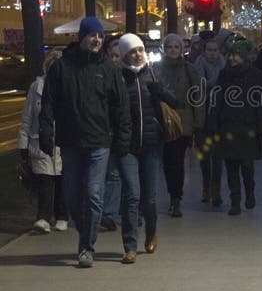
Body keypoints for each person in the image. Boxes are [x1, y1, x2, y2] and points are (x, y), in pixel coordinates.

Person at [39, 16, 131, 268]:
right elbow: (48, 103)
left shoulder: (109, 69)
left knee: (93, 194)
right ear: (82, 37)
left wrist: (122, 139)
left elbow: (121, 107)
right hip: (71, 142)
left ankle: (86, 247)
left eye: (100, 36)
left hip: (99, 142)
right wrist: (46, 132)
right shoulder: (62, 68)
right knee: (71, 196)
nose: (97, 40)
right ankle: (85, 231)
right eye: (92, 35)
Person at [117, 34, 177, 262]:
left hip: (152, 144)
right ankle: (130, 246)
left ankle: (151, 231)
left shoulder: (154, 73)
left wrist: (159, 90)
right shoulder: (118, 78)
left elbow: (176, 102)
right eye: (132, 51)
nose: (137, 55)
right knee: (131, 195)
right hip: (128, 146)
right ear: (124, 55)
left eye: (140, 50)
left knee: (149, 198)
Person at [210, 39, 262, 216]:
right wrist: (214, 123)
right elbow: (217, 100)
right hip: (228, 125)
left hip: (247, 126)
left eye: (236, 55)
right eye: (231, 54)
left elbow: (261, 103)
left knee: (247, 165)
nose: (232, 58)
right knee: (231, 166)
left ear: (244, 57)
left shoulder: (256, 75)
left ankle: (249, 191)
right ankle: (235, 200)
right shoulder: (224, 74)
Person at [154, 33, 205, 217]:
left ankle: (176, 198)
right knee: (168, 162)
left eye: (176, 47)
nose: (173, 50)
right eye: (170, 47)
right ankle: (172, 194)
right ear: (164, 49)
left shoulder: (189, 69)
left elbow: (197, 96)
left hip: (183, 121)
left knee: (177, 161)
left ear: (182, 49)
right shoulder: (156, 69)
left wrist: (198, 123)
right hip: (163, 120)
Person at [18, 50, 68, 233]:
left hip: (63, 142)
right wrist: (23, 145)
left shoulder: (69, 87)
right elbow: (27, 117)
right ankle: (43, 218)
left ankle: (62, 216)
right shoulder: (36, 87)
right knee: (44, 181)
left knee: (62, 180)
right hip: (40, 142)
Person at [195, 37, 225, 206]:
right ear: (204, 51)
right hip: (203, 114)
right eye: (209, 50)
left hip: (219, 115)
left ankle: (216, 191)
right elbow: (199, 85)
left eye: (215, 50)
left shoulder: (224, 64)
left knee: (217, 156)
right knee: (205, 156)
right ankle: (206, 187)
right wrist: (218, 81)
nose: (212, 53)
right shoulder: (198, 65)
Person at [100, 37, 124, 231]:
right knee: (107, 174)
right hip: (103, 131)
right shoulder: (101, 75)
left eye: (119, 56)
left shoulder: (128, 76)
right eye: (113, 56)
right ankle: (105, 213)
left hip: (121, 132)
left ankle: (110, 213)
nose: (115, 60)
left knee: (115, 174)